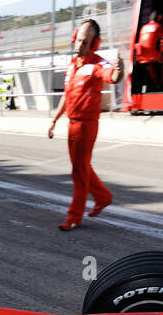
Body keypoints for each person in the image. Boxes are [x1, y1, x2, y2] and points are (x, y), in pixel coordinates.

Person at [48, 19, 124, 231]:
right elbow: (66, 95)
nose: (79, 45)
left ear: (94, 44)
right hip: (71, 124)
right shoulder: (72, 65)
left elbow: (113, 76)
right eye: (78, 40)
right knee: (82, 168)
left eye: (85, 42)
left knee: (78, 172)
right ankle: (103, 197)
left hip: (86, 126)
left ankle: (74, 217)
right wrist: (54, 120)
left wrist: (120, 70)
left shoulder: (98, 64)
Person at [133, 9, 163, 93]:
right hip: (154, 56)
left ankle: (155, 83)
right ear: (159, 17)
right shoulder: (158, 26)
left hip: (142, 57)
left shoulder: (143, 27)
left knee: (149, 64)